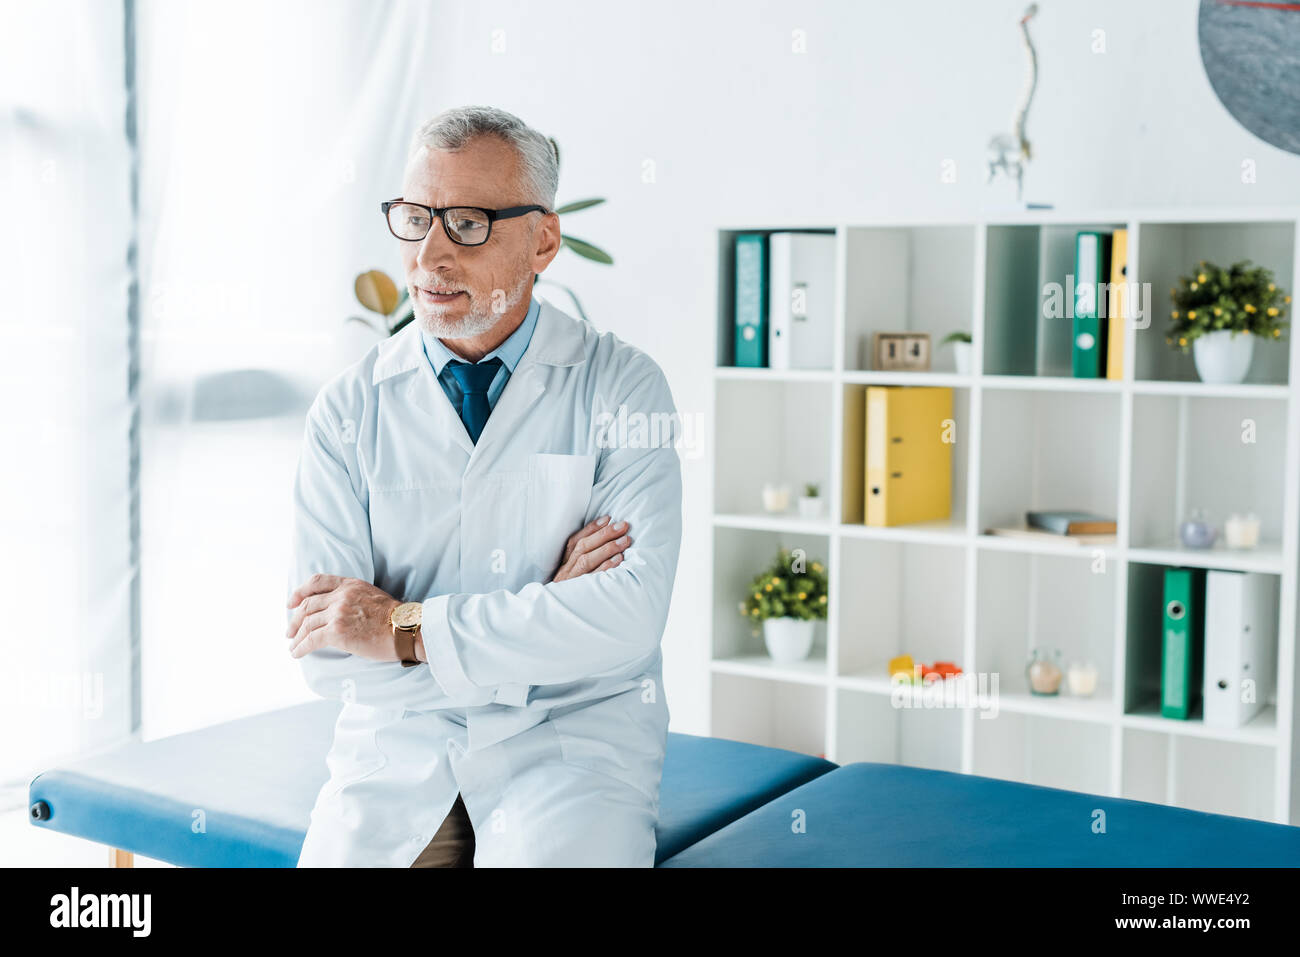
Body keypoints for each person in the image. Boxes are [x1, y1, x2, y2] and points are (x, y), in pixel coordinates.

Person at [285, 105, 683, 867]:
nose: (429, 255)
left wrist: (398, 629)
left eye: (467, 222)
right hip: (398, 752)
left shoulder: (623, 388)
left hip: (571, 751)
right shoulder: (346, 410)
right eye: (413, 218)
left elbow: (629, 617)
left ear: (543, 240)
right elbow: (327, 654)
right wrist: (548, 620)